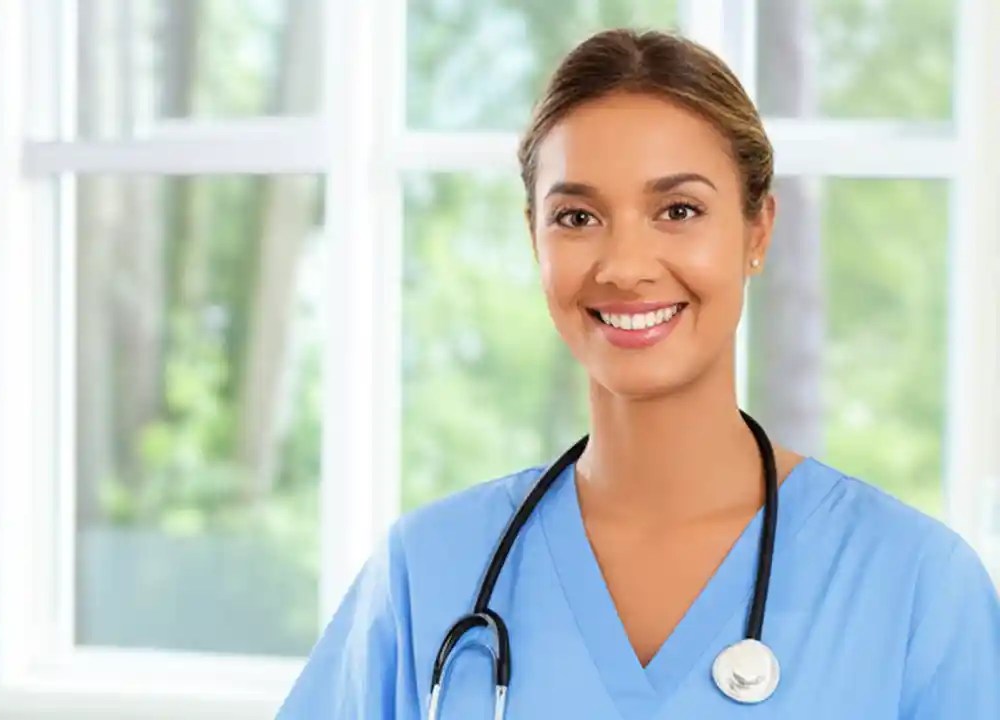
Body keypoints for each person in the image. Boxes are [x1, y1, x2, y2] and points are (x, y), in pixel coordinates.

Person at [277, 28, 1000, 719]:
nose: (624, 266)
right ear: (534, 236)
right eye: (577, 217)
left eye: (678, 210)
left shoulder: (915, 590)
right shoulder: (425, 576)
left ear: (758, 230)